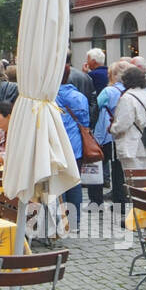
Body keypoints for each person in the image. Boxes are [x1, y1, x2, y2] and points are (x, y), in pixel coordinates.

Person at [56, 64, 90, 231]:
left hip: (57, 144)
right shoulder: (79, 96)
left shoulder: (50, 97)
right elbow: (85, 122)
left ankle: (61, 220)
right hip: (75, 144)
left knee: (58, 181)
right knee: (74, 181)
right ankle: (75, 220)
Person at [111, 65, 146, 178]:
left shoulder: (127, 97)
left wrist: (112, 128)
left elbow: (123, 124)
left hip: (132, 144)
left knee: (135, 181)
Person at [95, 58, 131, 203]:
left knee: (100, 164)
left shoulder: (108, 91)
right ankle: (120, 195)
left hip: (106, 133)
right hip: (125, 134)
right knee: (119, 168)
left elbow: (96, 107)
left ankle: (97, 199)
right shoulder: (131, 91)